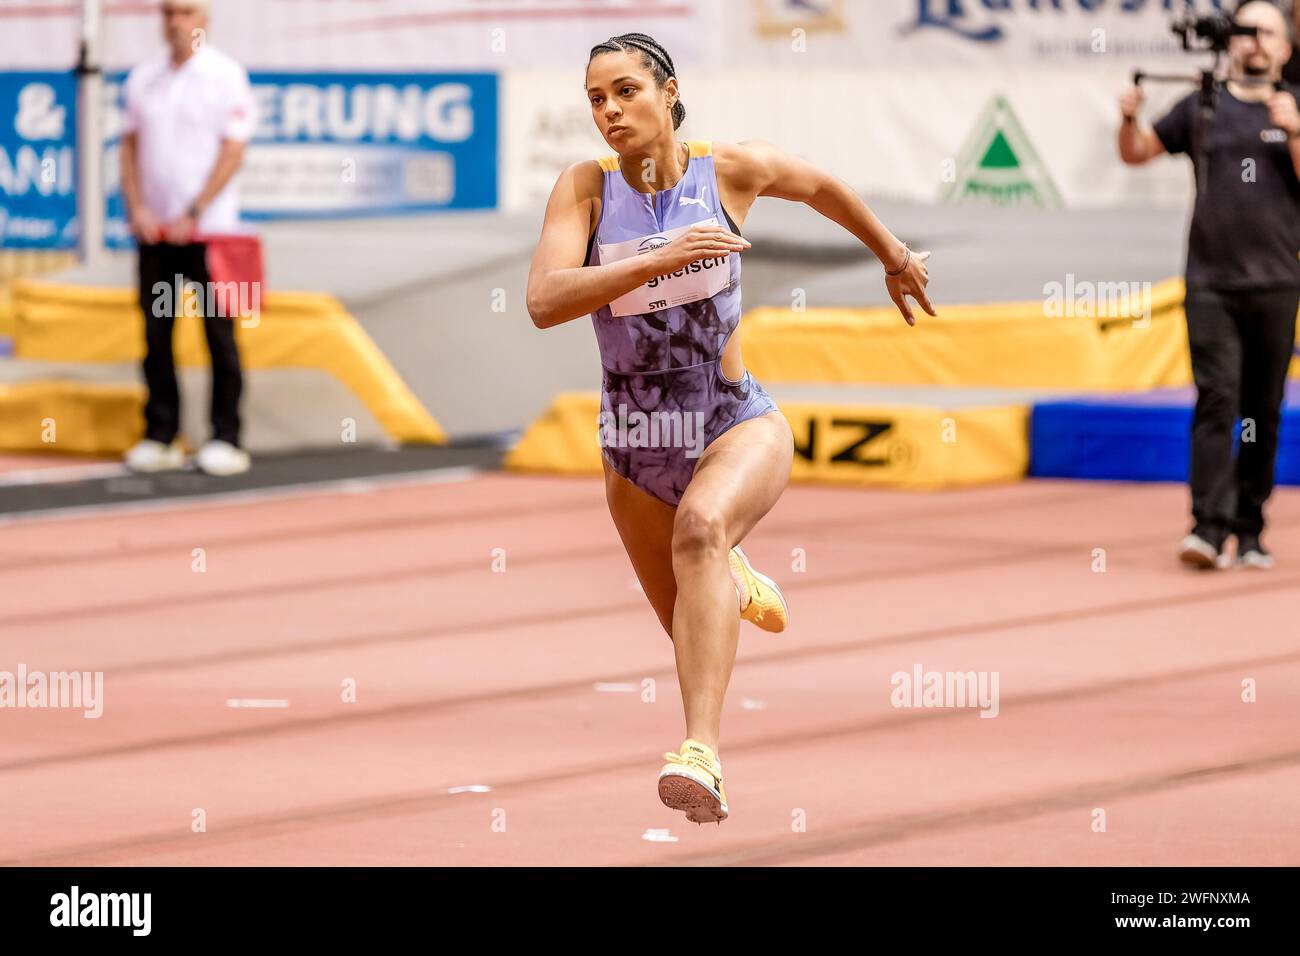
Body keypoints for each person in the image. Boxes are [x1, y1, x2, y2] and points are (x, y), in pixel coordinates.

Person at [526, 33, 934, 824]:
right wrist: (656, 258)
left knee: (704, 527)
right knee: (688, 631)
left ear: (669, 91)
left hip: (734, 422)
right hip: (636, 453)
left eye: (625, 92)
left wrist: (891, 254)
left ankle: (701, 756)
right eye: (595, 100)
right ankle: (736, 576)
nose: (609, 111)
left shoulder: (729, 170)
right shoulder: (585, 188)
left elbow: (820, 187)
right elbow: (544, 300)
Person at [1118, 0, 1300, 570]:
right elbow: (1138, 154)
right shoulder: (1204, 105)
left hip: (1276, 280)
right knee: (1218, 397)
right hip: (1210, 282)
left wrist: (1293, 131)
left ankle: (1250, 529)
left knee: (1261, 410)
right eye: (1244, 32)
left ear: (1286, 47)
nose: (1254, 43)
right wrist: (1128, 119)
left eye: (1266, 33)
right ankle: (1206, 527)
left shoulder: (1295, 107)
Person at [120, 0, 255, 476]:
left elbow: (233, 150)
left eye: (186, 12)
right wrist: (137, 207)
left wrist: (194, 211)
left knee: (220, 335)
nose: (176, 22)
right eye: (169, 13)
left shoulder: (226, 75)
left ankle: (226, 435)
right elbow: (130, 145)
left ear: (204, 20)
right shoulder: (144, 78)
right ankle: (161, 432)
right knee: (157, 332)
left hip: (214, 236)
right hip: (157, 237)